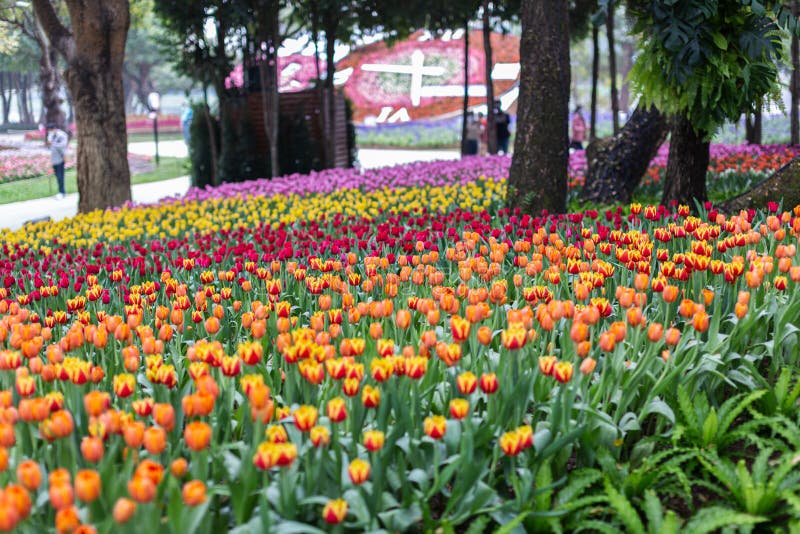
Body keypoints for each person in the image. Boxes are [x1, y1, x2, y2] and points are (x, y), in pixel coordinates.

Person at [46, 123, 69, 199]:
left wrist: (52, 143)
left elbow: (63, 146)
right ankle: (61, 192)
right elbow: (50, 146)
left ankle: (62, 192)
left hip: (61, 159)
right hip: (54, 159)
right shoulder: (51, 135)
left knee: (60, 176)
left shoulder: (62, 135)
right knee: (57, 176)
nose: (50, 132)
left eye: (50, 130)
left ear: (54, 128)